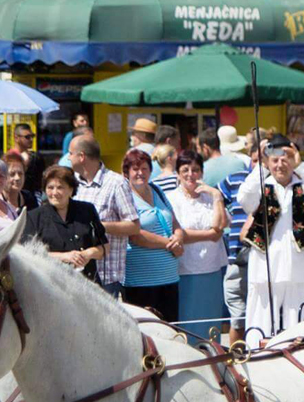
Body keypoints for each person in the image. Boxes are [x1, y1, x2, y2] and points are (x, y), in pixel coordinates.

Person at [238, 134, 304, 342]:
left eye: (286, 158)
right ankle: (257, 349)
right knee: (261, 315)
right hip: (266, 265)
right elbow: (244, 199)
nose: (281, 164)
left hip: (301, 266)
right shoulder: (262, 186)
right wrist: (261, 165)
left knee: (300, 315)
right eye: (275, 159)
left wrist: (302, 167)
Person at [167, 150, 232, 339]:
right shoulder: (172, 199)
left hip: (211, 269)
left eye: (195, 170)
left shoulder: (209, 198)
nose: (190, 175)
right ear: (178, 173)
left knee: (210, 323)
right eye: (185, 170)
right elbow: (179, 234)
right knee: (189, 322)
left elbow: (220, 225)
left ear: (201, 173)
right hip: (185, 269)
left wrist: (217, 196)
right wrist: (210, 235)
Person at [67, 134, 139, 297]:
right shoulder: (73, 184)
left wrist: (98, 225)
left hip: (107, 277)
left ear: (82, 156)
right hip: (77, 274)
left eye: (70, 153)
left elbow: (134, 226)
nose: (68, 157)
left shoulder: (116, 183)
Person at [120, 148, 180, 317]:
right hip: (140, 281)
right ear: (127, 173)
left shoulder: (157, 190)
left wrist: (179, 238)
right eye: (135, 169)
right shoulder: (125, 196)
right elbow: (135, 235)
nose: (140, 173)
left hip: (169, 278)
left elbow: (175, 222)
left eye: (144, 168)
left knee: (172, 331)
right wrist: (170, 245)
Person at [21, 165, 107, 284]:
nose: (54, 193)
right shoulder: (34, 217)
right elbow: (28, 253)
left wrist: (87, 254)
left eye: (60, 187)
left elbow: (104, 247)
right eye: (50, 187)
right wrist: (65, 257)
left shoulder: (87, 210)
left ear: (71, 190)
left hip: (88, 284)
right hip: (52, 285)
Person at [218, 130, 262, 345]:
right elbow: (216, 193)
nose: (258, 165)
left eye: (263, 160)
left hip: (266, 262)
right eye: (255, 160)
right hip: (239, 258)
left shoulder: (275, 184)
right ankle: (235, 361)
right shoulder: (235, 179)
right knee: (238, 318)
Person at [12, 122, 45, 193]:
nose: (31, 139)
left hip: (34, 195)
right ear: (16, 138)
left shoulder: (36, 157)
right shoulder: (9, 157)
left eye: (32, 136)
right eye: (27, 137)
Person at [129, 117, 164, 181]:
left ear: (143, 135)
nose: (132, 136)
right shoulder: (161, 151)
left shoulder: (133, 152)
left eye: (134, 133)